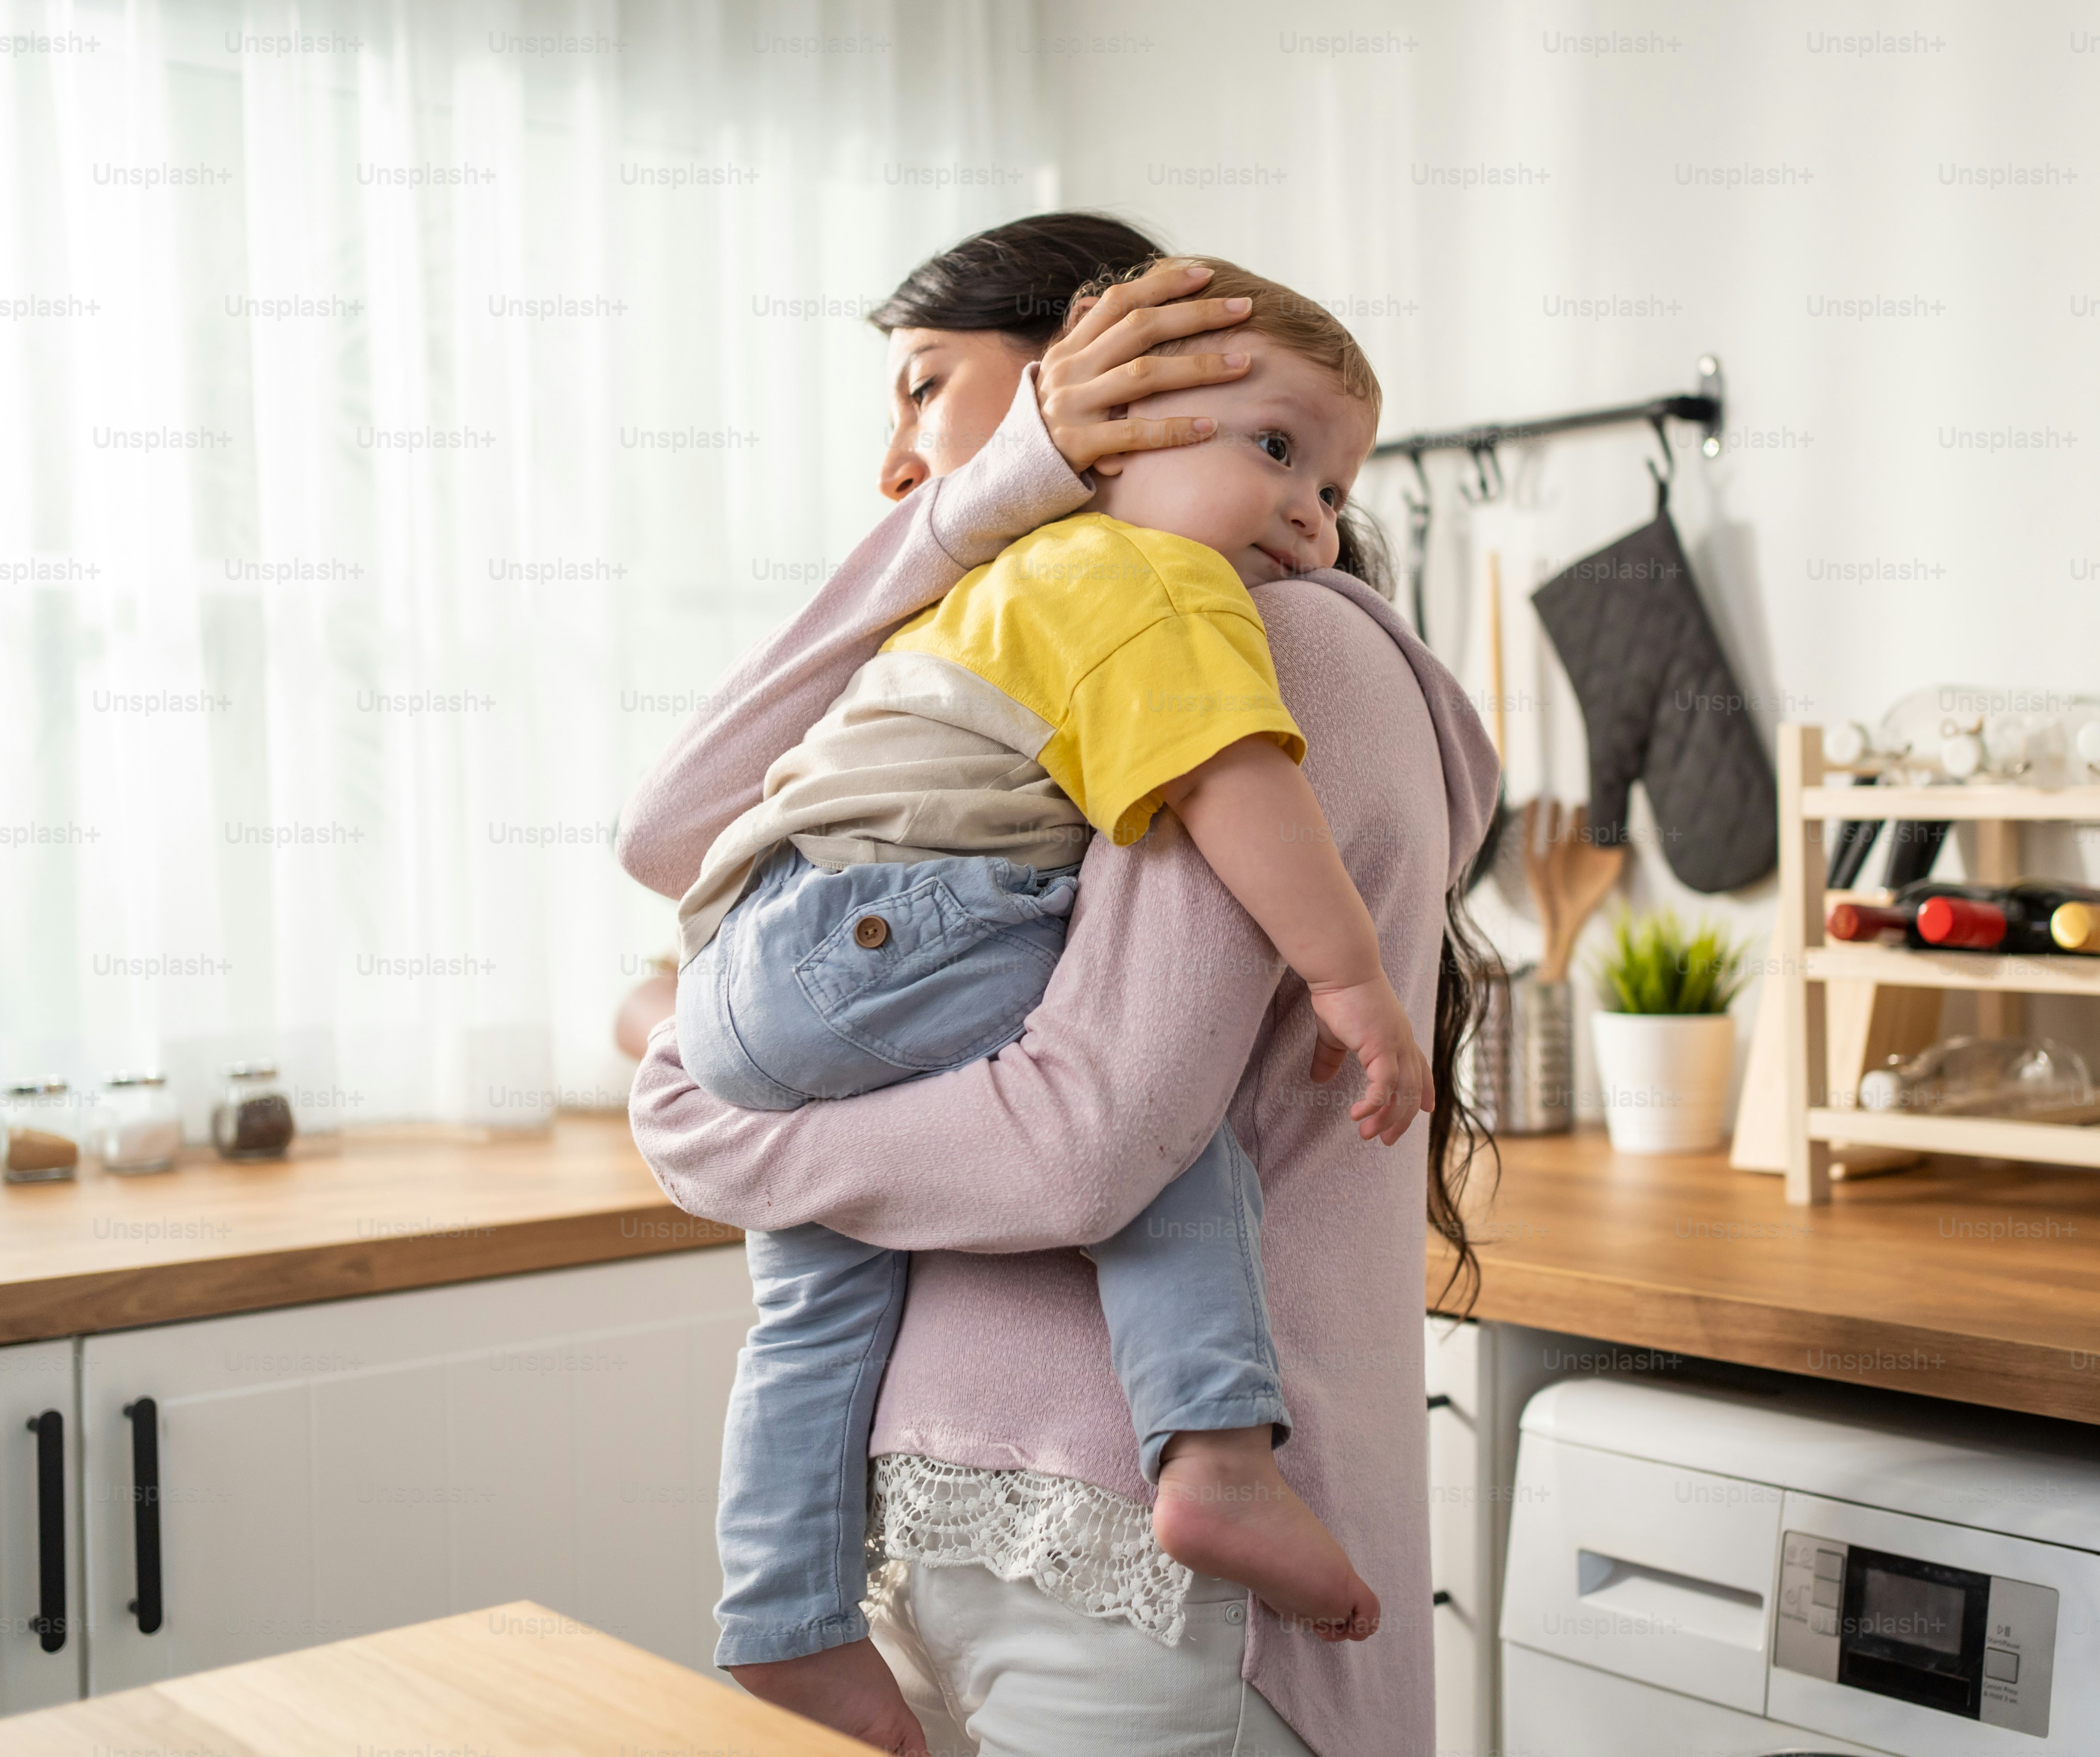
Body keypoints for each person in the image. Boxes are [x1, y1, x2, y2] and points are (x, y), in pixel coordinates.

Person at [621, 213, 1495, 1757]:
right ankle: (778, 1616)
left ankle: (1171, 1469)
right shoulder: (1029, 619)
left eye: (927, 389)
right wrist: (990, 492)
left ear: (1113, 379)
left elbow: (1095, 1136)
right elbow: (672, 829)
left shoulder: (1255, 635)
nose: (900, 464)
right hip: (949, 1533)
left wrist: (707, 1123)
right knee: (803, 1304)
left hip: (1133, 1572)